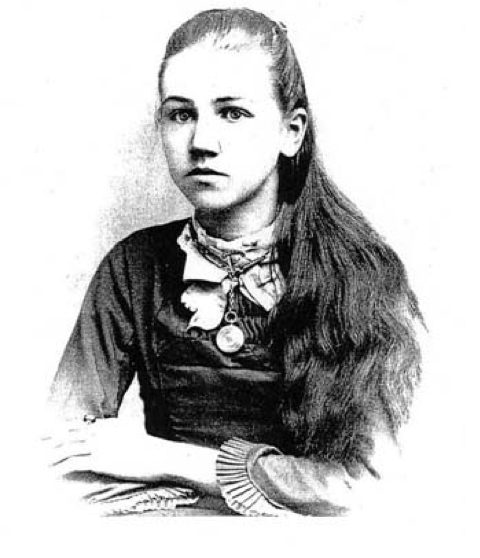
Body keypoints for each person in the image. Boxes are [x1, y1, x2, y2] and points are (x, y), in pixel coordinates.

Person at [45, 8, 423, 517]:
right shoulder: (133, 268)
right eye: (181, 114)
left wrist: (169, 460)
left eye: (233, 113)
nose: (202, 142)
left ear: (291, 132)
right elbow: (56, 456)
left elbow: (365, 488)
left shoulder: (360, 276)